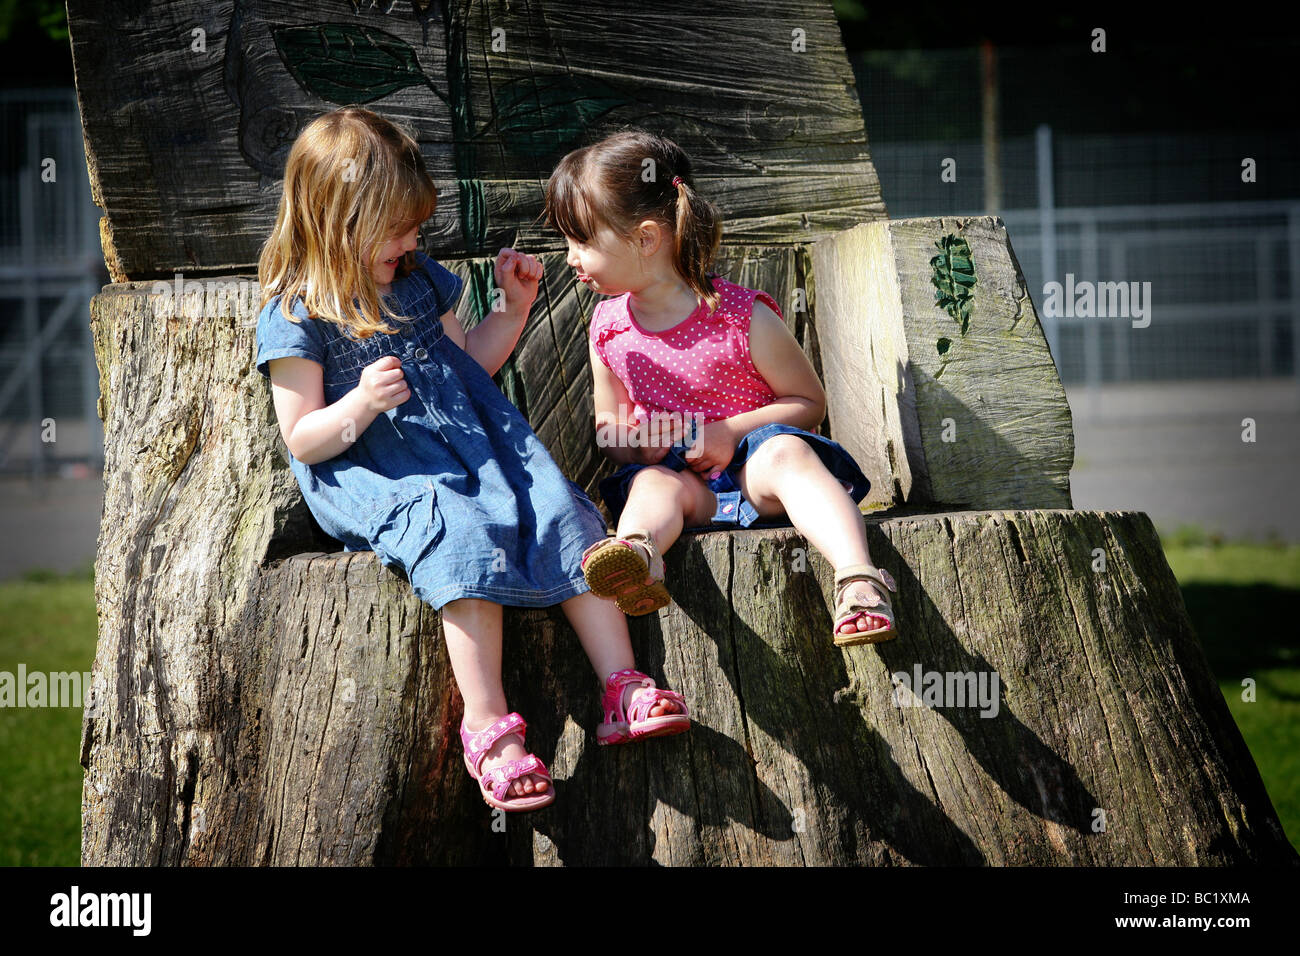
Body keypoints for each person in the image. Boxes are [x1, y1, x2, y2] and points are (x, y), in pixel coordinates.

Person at [253, 107, 688, 814]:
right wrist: (360, 403)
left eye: (415, 224)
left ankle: (624, 685)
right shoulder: (298, 314)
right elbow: (302, 437)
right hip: (384, 476)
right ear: (340, 220)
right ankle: (489, 726)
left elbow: (467, 372)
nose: (414, 238)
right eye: (399, 226)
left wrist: (511, 313)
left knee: (562, 511)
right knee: (462, 536)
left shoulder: (420, 281)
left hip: (475, 453)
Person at [544, 129, 901, 646]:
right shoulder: (608, 328)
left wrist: (729, 431)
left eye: (582, 241)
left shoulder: (740, 316)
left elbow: (808, 402)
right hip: (684, 489)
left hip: (759, 476)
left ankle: (858, 579)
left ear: (646, 238)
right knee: (647, 486)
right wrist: (637, 444)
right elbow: (610, 428)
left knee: (786, 452)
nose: (570, 257)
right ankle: (639, 558)